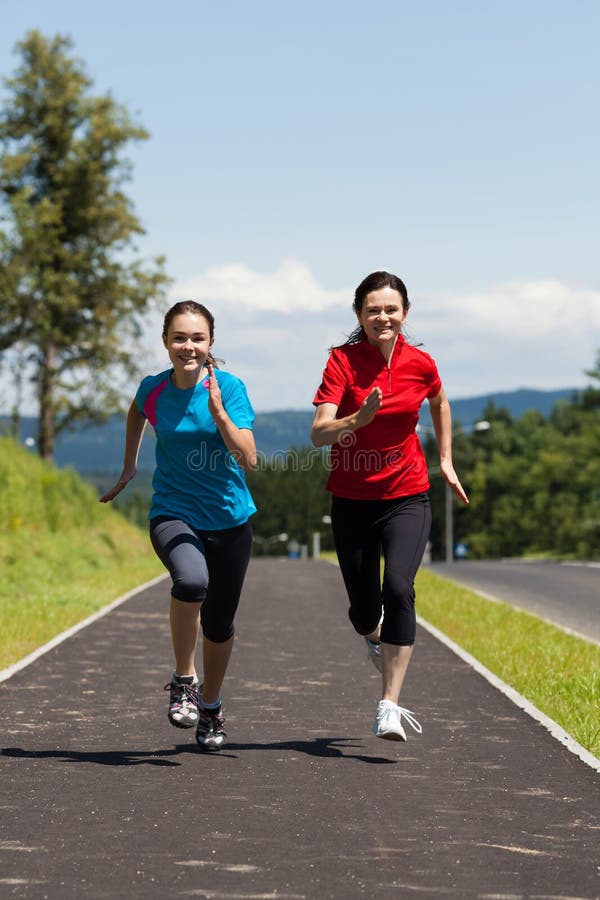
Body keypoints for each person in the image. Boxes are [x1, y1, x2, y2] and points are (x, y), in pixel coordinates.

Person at [311, 271, 468, 742]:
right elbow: (319, 433)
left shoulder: (421, 363)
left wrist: (445, 459)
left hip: (407, 494)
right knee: (364, 611)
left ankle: (390, 705)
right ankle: (374, 637)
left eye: (391, 308)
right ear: (360, 315)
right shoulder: (342, 363)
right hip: (353, 500)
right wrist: (357, 418)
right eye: (373, 309)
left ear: (405, 312)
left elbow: (439, 401)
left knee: (399, 587)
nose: (383, 316)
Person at [100, 300, 257, 751]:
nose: (188, 346)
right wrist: (129, 467)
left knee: (220, 625)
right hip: (173, 512)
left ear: (211, 344)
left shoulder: (229, 387)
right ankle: (184, 678)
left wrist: (219, 412)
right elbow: (136, 412)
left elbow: (249, 457)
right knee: (190, 581)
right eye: (180, 338)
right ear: (166, 341)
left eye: (197, 338)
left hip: (230, 519)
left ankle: (210, 704)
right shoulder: (152, 388)